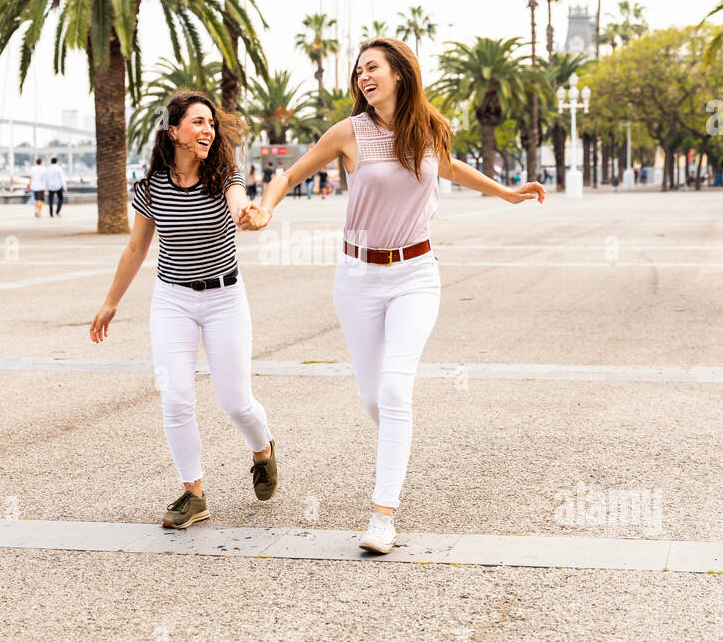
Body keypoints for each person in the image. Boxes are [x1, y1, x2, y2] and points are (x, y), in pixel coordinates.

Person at [241, 38, 546, 554]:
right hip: (357, 277)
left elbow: (451, 169)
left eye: (374, 67)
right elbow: (290, 174)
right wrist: (267, 208)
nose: (364, 76)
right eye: (360, 70)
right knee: (373, 397)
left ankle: (382, 515)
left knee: (395, 391)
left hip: (415, 275)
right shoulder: (348, 133)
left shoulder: (430, 129)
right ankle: (397, 444)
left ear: (400, 73)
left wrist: (506, 192)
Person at [89, 90, 274, 530]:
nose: (207, 129)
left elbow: (236, 202)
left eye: (210, 123)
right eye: (197, 122)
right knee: (175, 396)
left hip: (225, 297)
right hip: (172, 298)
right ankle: (194, 494)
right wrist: (111, 301)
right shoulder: (151, 187)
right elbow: (137, 247)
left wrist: (249, 213)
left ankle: (262, 450)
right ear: (173, 132)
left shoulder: (224, 175)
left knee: (235, 401)